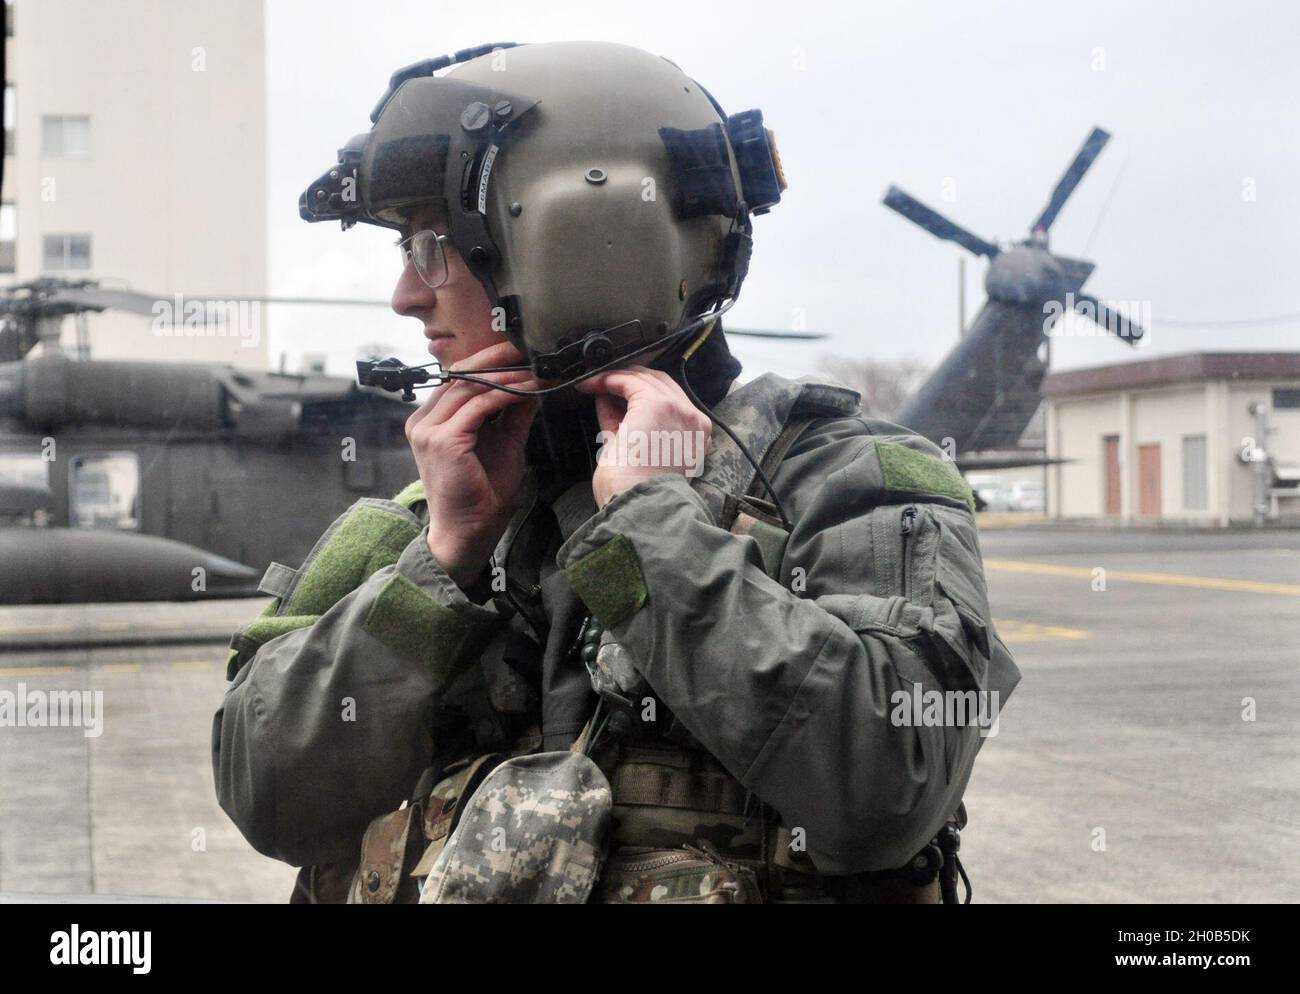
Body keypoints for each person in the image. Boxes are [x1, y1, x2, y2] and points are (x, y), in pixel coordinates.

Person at [212, 40, 1020, 904]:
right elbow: (267, 800)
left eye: (431, 247)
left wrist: (652, 530)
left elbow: (888, 788)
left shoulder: (850, 482)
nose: (406, 296)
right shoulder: (431, 518)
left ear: (580, 242)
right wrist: (442, 562)